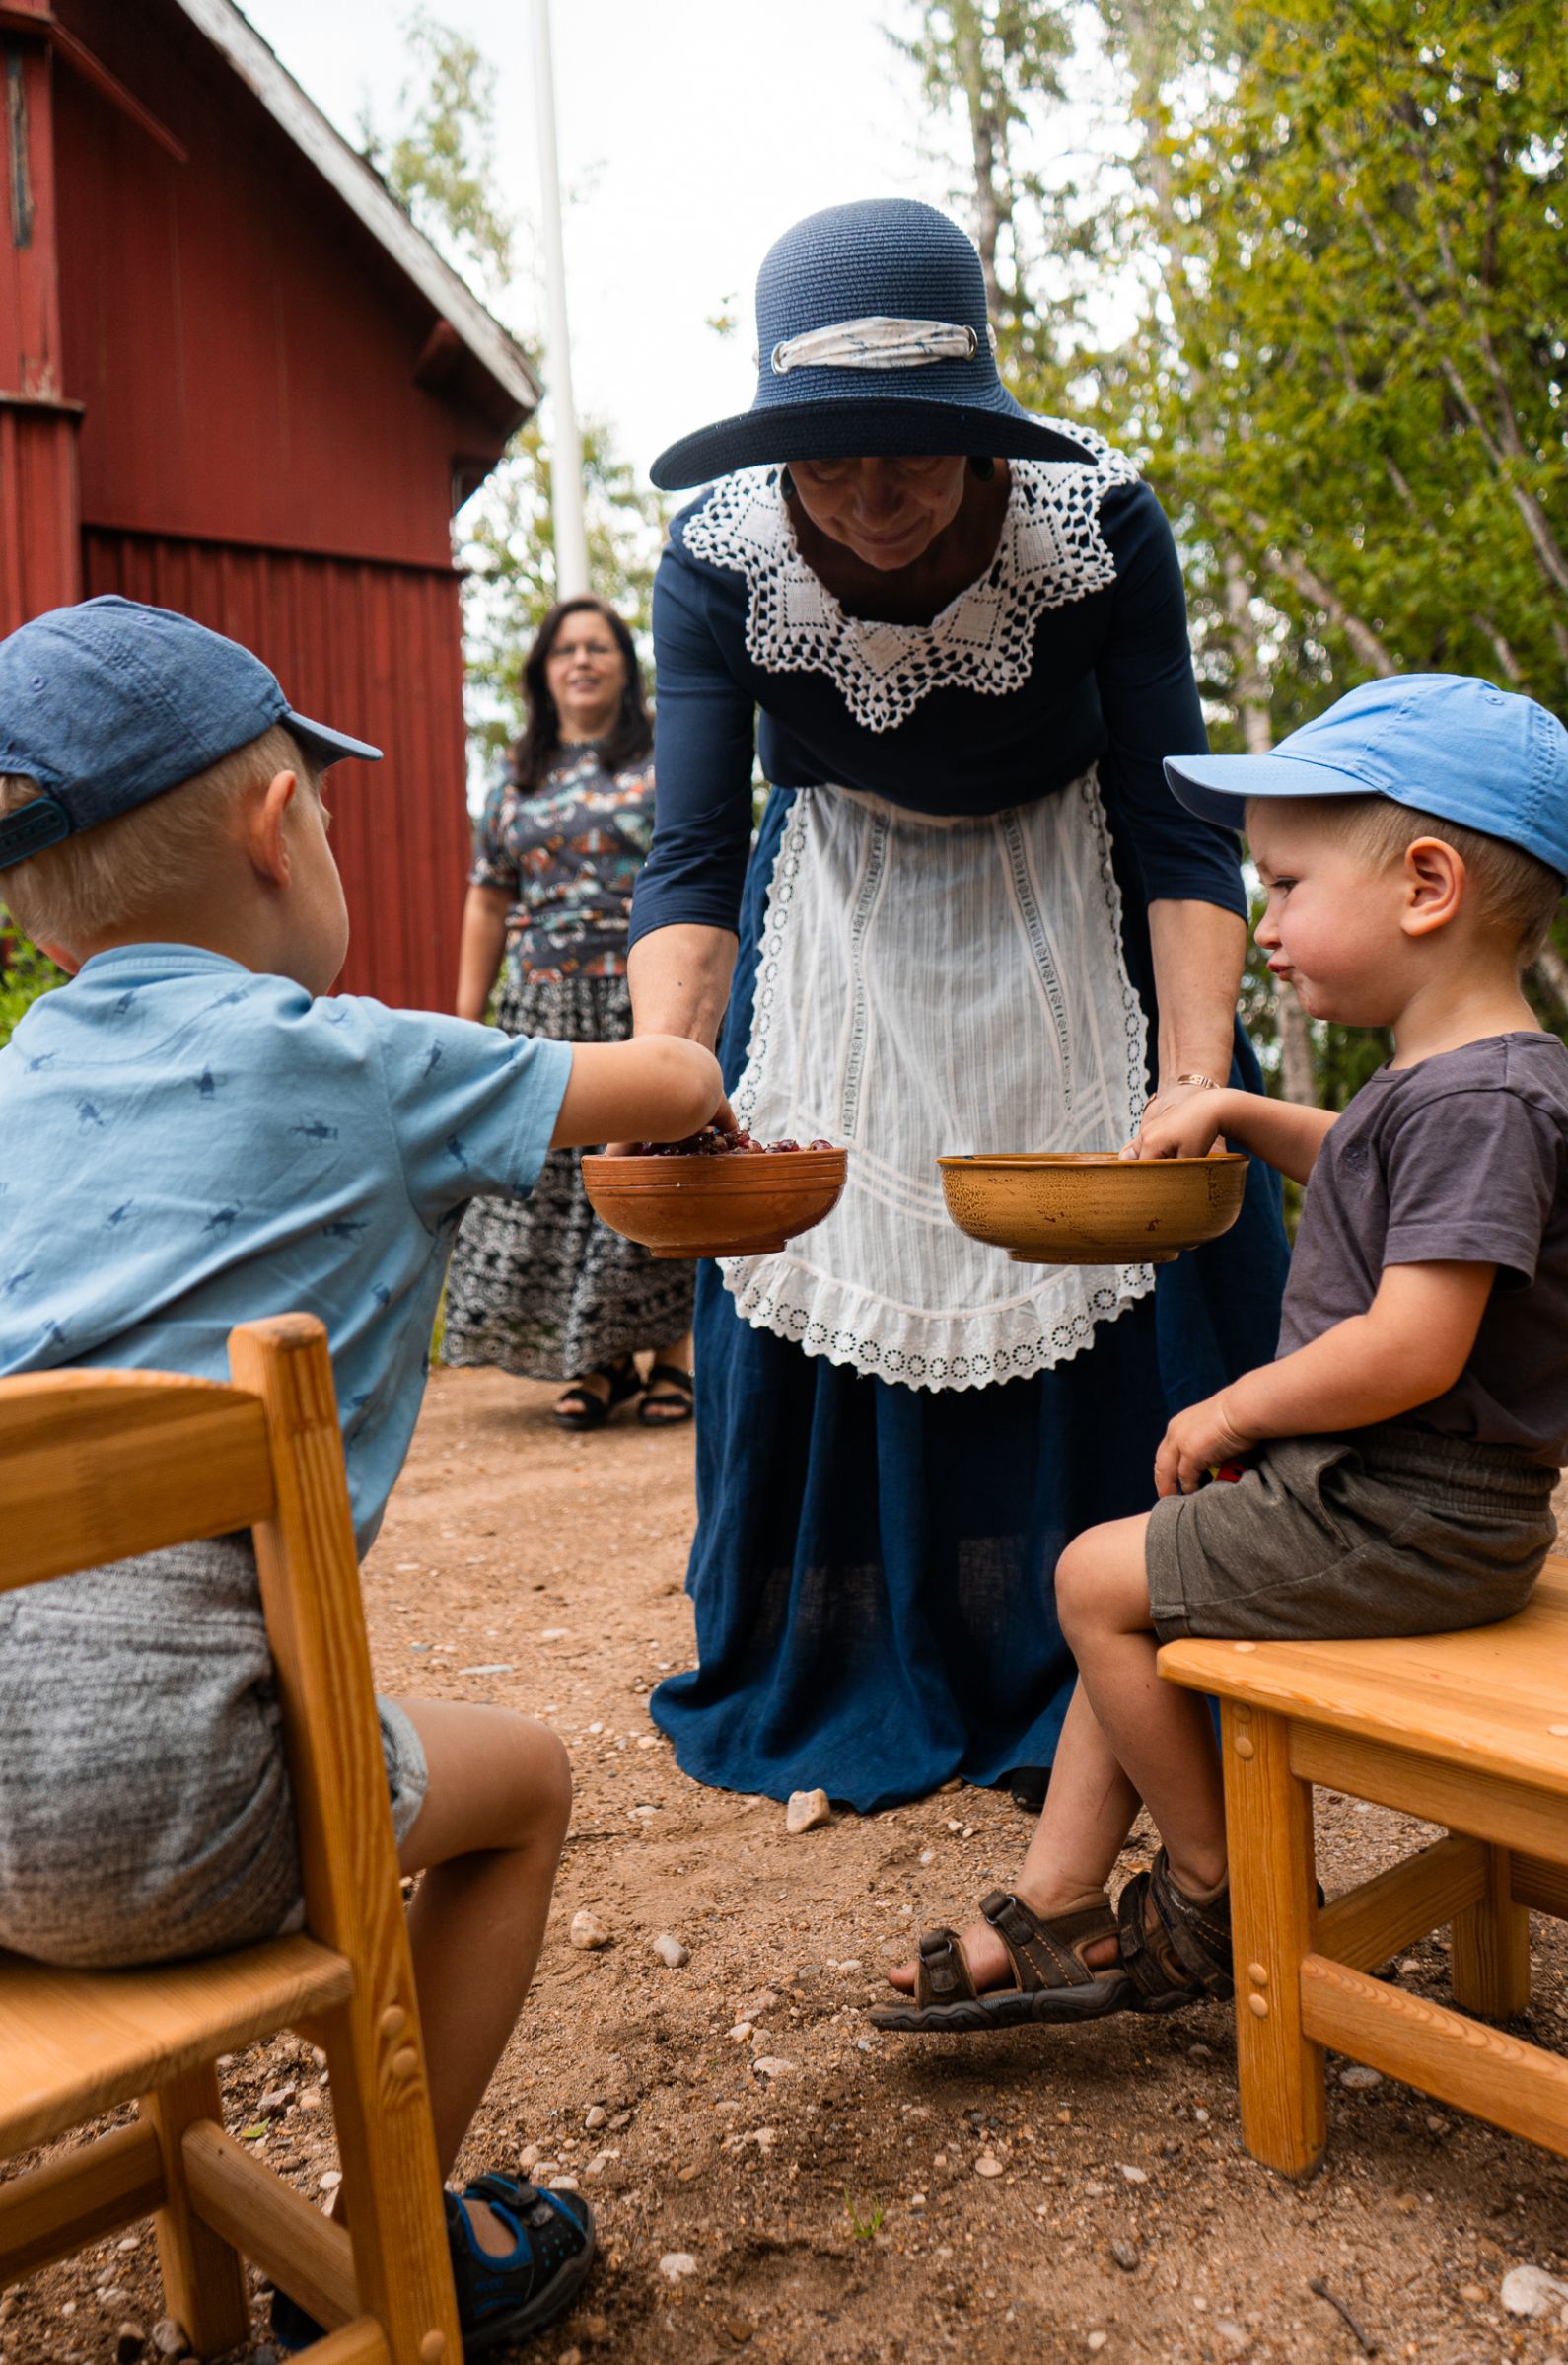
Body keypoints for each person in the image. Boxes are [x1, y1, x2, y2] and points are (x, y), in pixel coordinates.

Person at [0, 598, 721, 2346]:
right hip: (192, 1822)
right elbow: (673, 1074)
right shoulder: (370, 1058)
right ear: (274, 827)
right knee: (532, 1782)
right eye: (320, 809)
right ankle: (388, 2224)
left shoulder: (17, 1078)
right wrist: (688, 1061)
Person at [624, 197, 1290, 1812]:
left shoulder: (1098, 531)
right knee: (830, 1255)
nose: (868, 498)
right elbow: (695, 848)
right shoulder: (716, 565)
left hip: (1063, 897)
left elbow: (1174, 813)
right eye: (825, 463)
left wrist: (1187, 1080)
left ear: (982, 432)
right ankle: (862, 1653)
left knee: (1135, 1258)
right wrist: (670, 1084)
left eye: (908, 455)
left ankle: (1115, 1645)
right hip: (839, 914)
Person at [876, 674, 1568, 2031]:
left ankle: (1208, 1888)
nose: (1263, 928)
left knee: (1092, 1575)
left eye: (1287, 884)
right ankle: (1064, 1892)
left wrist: (1236, 1403)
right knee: (1141, 1572)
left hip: (1411, 1511)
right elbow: (1380, 1176)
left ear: (1423, 884)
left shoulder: (1478, 1094)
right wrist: (1249, 1111)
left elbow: (1414, 1343)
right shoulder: (1465, 1075)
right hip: (1400, 1505)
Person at [444, 597, 695, 1430]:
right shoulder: (515, 777)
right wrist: (467, 1018)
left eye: (598, 648)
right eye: (564, 649)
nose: (580, 661)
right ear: (542, 671)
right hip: (541, 1003)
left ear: (625, 667)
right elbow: (488, 902)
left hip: (643, 1000)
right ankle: (599, 1359)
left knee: (657, 1169)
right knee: (561, 1186)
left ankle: (675, 1358)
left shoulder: (668, 757)